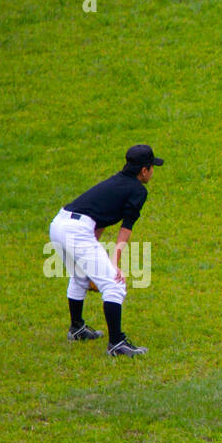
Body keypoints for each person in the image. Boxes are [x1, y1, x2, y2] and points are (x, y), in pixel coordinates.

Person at [49, 145, 163, 356]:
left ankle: (77, 329)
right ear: (144, 171)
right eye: (152, 167)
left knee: (80, 277)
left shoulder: (115, 181)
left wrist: (96, 257)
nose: (153, 172)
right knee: (114, 284)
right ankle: (117, 344)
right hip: (76, 231)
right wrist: (114, 264)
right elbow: (125, 229)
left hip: (59, 224)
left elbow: (98, 218)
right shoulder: (138, 190)